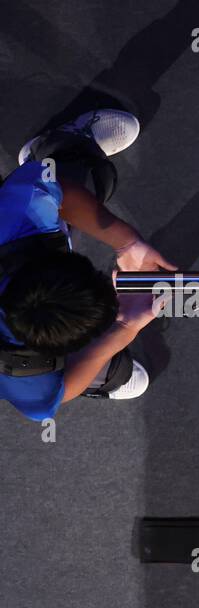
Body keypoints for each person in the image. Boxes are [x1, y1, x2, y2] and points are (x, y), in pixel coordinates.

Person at [0, 109, 173, 420]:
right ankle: (103, 365)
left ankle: (61, 146)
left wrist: (126, 241)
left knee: (61, 173)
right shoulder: (22, 375)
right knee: (104, 369)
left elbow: (57, 188)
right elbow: (58, 394)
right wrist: (123, 328)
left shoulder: (18, 213)